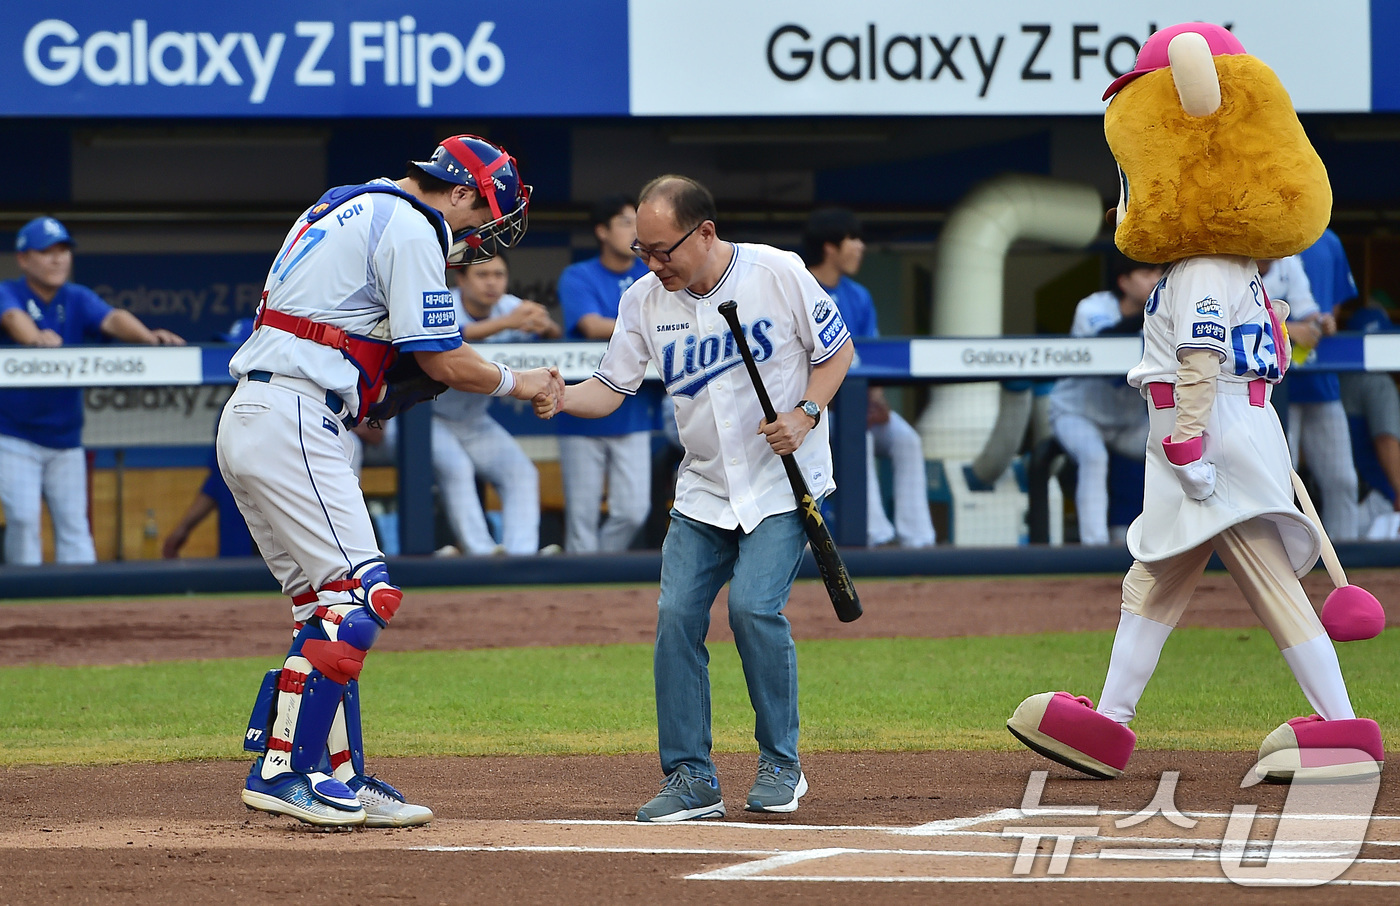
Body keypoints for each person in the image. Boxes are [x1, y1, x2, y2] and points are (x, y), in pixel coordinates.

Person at [1010, 22, 1379, 784]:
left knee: (1268, 581)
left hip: (1209, 434)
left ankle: (1343, 729)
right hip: (1227, 429)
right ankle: (1108, 725)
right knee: (1152, 578)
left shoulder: (1206, 266)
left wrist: (1188, 443)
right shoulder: (1225, 264)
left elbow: (1199, 358)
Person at [219, 134, 558, 828]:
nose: (480, 233)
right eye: (482, 213)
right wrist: (525, 383)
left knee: (322, 609)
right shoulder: (411, 225)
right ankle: (284, 770)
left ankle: (337, 773)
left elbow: (378, 361)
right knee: (361, 595)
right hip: (296, 415)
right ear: (460, 191)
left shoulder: (344, 203)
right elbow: (443, 362)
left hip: (268, 412)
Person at [539, 175, 854, 821]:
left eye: (662, 251)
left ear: (704, 232)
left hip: (780, 485)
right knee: (677, 619)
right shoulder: (643, 300)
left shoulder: (777, 272)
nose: (652, 265)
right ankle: (691, 778)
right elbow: (610, 387)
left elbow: (837, 351)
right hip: (706, 487)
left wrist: (806, 411)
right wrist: (558, 396)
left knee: (751, 610)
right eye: (642, 252)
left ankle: (781, 763)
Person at [0, 216, 185, 566]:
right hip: (13, 436)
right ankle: (27, 611)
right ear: (24, 258)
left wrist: (147, 337)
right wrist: (35, 339)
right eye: (46, 251)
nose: (58, 259)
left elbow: (113, 318)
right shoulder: (9, 291)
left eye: (63, 251)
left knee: (75, 529)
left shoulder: (76, 297)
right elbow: (12, 318)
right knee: (24, 523)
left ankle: (81, 614)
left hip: (66, 439)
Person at [801, 207, 934, 549]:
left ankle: (917, 539)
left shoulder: (858, 296)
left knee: (906, 439)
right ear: (830, 247)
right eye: (853, 239)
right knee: (860, 439)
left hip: (859, 404)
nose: (860, 247)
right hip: (814, 410)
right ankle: (875, 536)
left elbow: (870, 358)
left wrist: (875, 400)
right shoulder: (800, 288)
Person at [433, 253, 559, 556]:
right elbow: (448, 337)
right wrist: (508, 322)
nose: (492, 282)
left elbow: (554, 333)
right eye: (482, 274)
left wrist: (544, 326)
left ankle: (521, 556)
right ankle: (481, 554)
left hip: (473, 420)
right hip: (427, 416)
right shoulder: (442, 303)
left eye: (499, 274)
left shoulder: (510, 306)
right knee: (457, 467)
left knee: (521, 472)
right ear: (461, 279)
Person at [554, 195, 657, 552]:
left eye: (636, 223)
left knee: (633, 511)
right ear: (602, 231)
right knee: (580, 520)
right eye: (626, 222)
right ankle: (578, 594)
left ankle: (600, 570)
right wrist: (648, 327)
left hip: (632, 411)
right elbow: (591, 324)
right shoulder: (578, 275)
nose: (634, 231)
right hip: (582, 413)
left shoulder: (652, 274)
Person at [1047, 253, 1162, 545]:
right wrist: (1156, 310)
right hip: (1077, 413)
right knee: (1093, 457)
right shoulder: (1094, 307)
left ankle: (1171, 540)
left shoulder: (1163, 314)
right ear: (1123, 281)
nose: (1155, 279)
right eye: (1147, 273)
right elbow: (1107, 339)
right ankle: (1094, 547)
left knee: (1175, 451)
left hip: (1127, 421)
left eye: (1158, 272)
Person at [1260, 249, 1360, 540]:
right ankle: (1280, 560)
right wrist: (1287, 329)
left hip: (1317, 386)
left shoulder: (1288, 260)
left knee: (1342, 479)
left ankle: (1347, 557)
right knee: (1278, 484)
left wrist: (1320, 321)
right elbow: (1232, 321)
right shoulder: (1231, 263)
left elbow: (1308, 309)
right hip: (1264, 393)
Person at [1340, 294, 1400, 538]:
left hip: (1347, 496)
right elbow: (1385, 440)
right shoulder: (1378, 382)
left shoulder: (1336, 377)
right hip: (1377, 498)